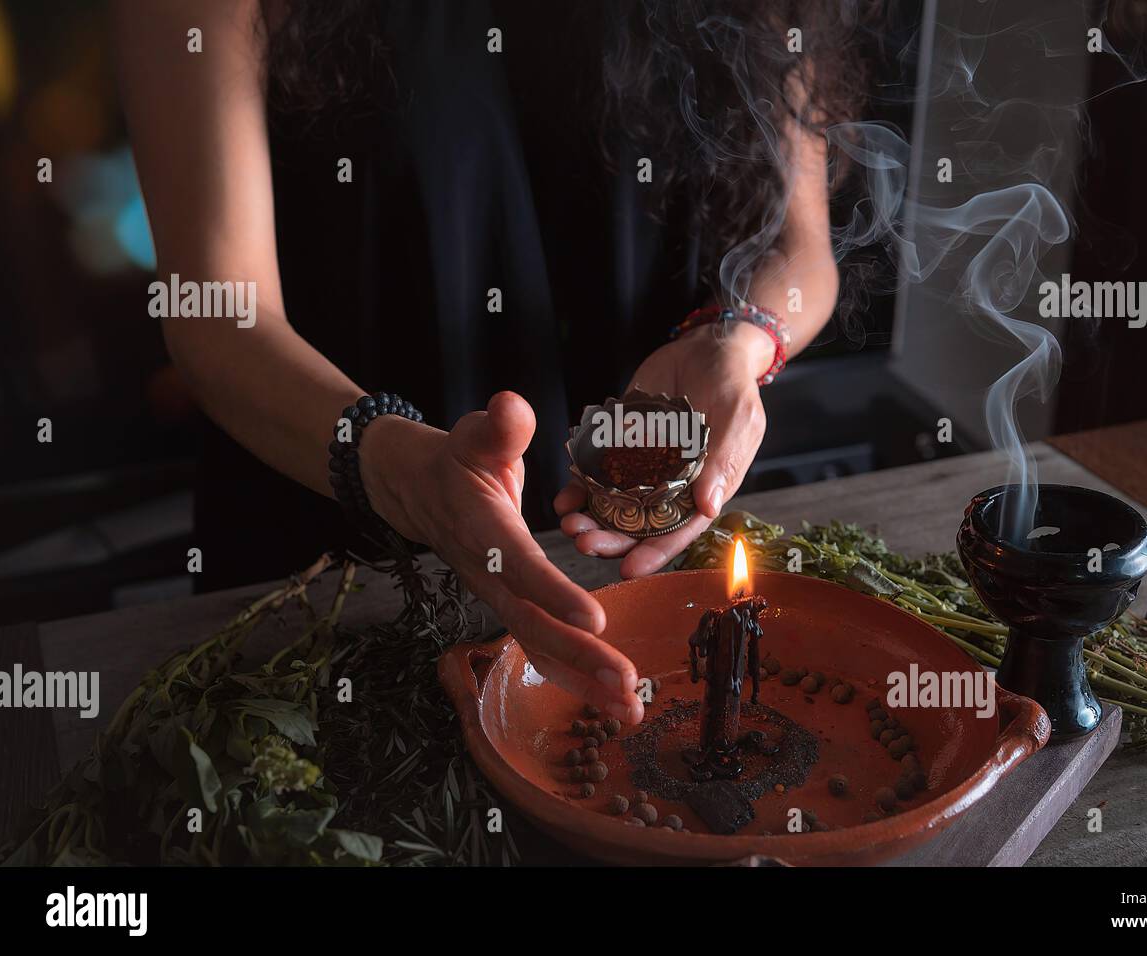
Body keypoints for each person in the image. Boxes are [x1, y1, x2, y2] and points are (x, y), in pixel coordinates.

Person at [114, 0, 869, 724]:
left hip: (653, 565)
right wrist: (394, 469)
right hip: (339, 584)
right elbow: (215, 320)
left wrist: (734, 340)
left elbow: (799, 252)